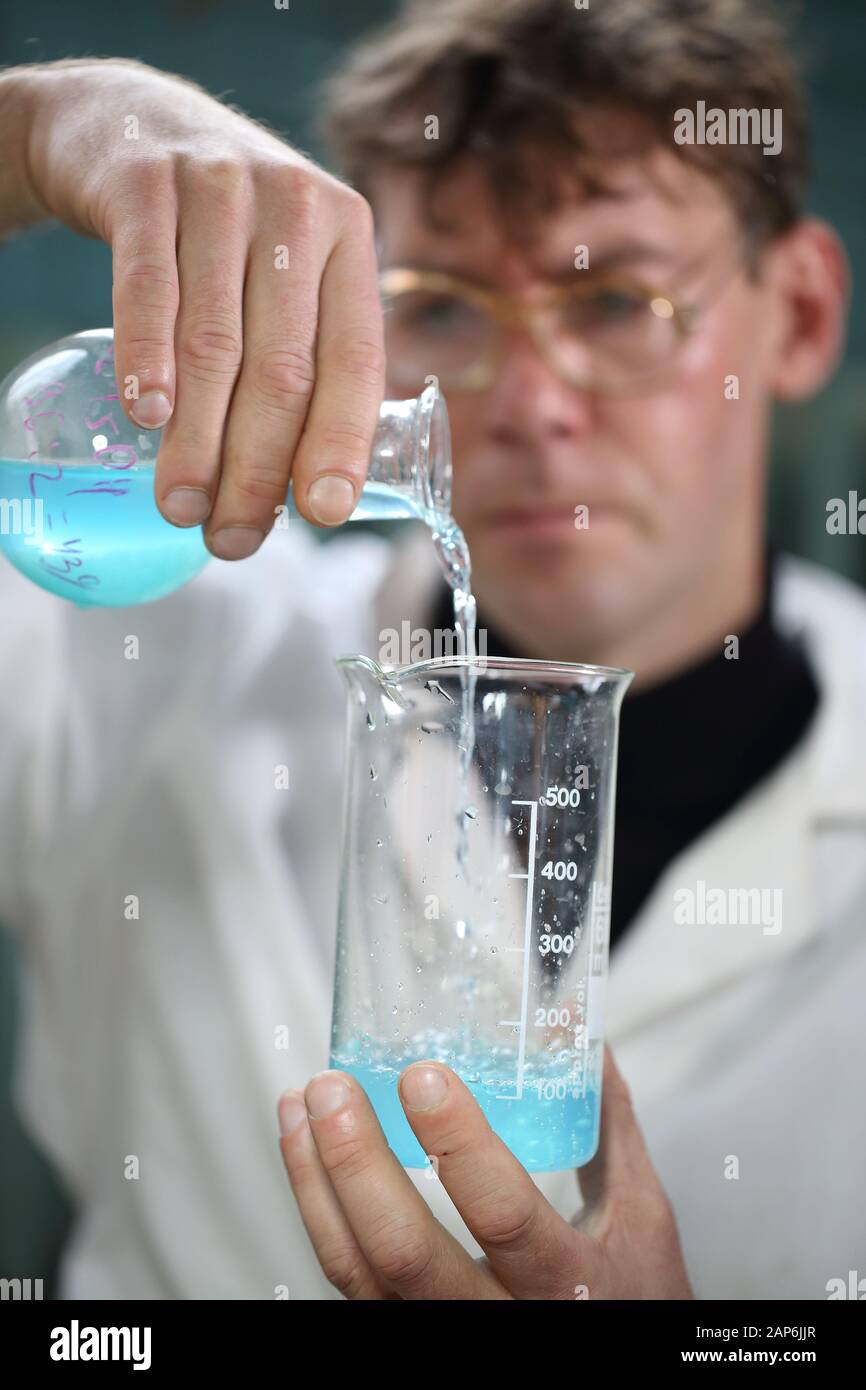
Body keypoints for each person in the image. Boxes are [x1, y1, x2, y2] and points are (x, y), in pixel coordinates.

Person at [0, 0, 862, 1300]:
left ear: (794, 316)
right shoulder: (141, 654)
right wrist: (38, 130)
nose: (524, 403)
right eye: (440, 309)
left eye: (618, 298)